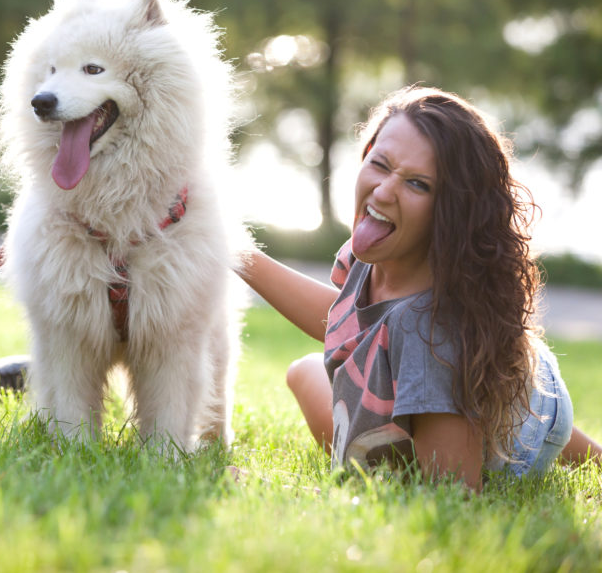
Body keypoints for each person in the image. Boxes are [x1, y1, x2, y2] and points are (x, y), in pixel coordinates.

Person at [239, 85, 601, 490]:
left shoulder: (427, 334)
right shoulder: (376, 246)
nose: (384, 191)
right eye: (380, 163)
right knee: (303, 372)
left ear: (451, 210)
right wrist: (236, 252)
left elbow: (454, 496)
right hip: (456, 367)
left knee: (390, 468)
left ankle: (585, 452)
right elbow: (347, 320)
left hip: (529, 423)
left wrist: (275, 486)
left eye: (417, 184)